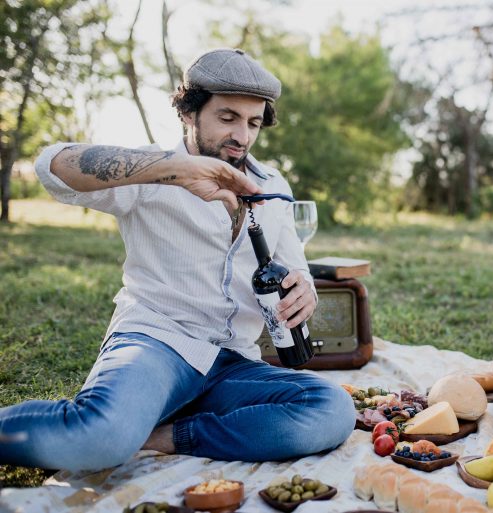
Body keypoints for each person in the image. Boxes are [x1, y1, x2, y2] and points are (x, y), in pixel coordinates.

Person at [0, 48, 355, 471]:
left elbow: (295, 265)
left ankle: (163, 434)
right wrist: (174, 169)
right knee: (99, 439)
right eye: (228, 118)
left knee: (332, 408)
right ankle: (119, 427)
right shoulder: (150, 171)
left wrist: (304, 290)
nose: (242, 135)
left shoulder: (273, 185)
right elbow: (51, 168)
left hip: (234, 365)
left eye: (253, 122)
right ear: (189, 112)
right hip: (156, 345)